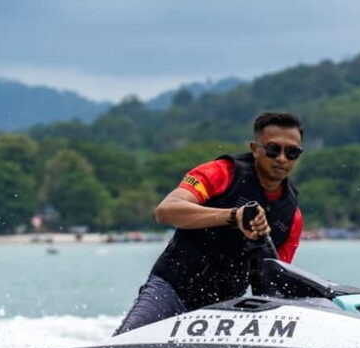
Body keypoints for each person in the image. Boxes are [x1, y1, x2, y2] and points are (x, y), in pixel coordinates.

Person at [114, 112, 305, 335]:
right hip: (171, 289)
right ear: (254, 148)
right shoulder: (221, 172)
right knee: (128, 340)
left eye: (291, 152)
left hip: (221, 310)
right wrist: (234, 216)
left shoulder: (292, 217)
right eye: (273, 149)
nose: (282, 158)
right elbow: (166, 211)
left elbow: (273, 281)